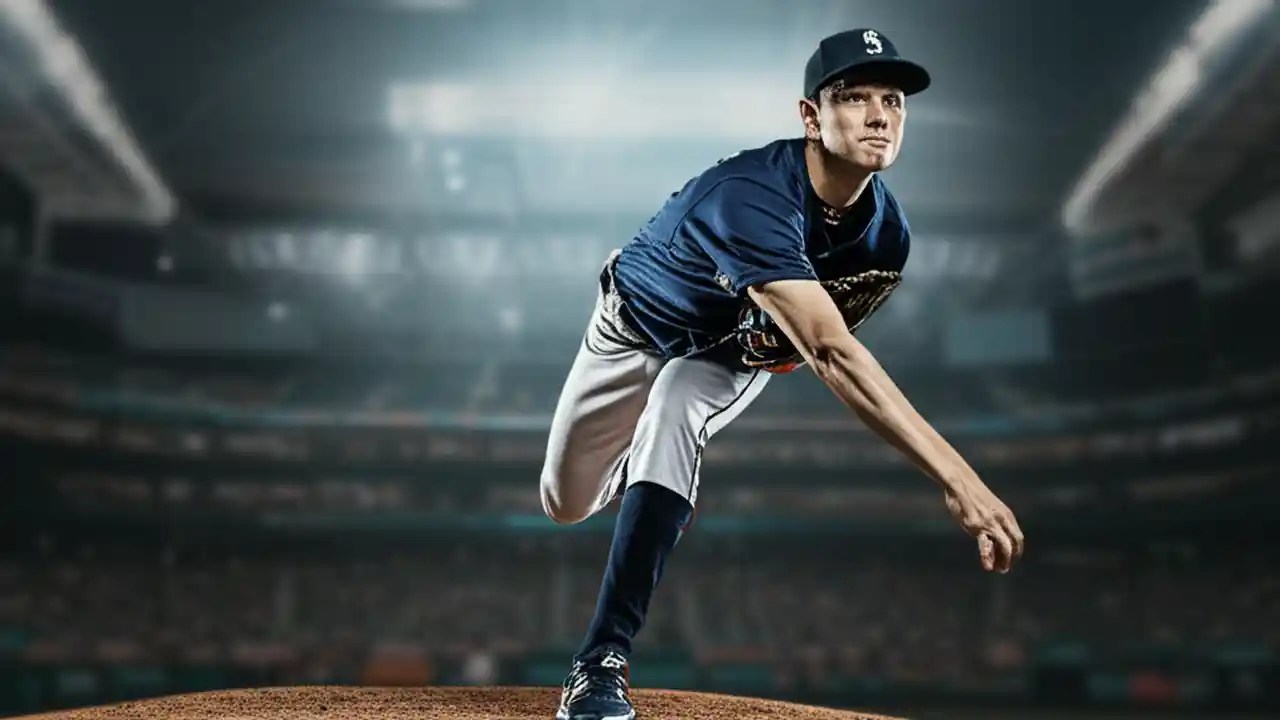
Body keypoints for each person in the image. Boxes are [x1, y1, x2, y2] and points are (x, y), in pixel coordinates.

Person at [540, 28, 1025, 720]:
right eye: (852, 97)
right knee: (565, 502)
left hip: (723, 354)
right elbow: (832, 354)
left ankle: (599, 665)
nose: (879, 115)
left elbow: (807, 348)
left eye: (892, 100)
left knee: (676, 409)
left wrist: (785, 344)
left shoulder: (889, 237)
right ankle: (648, 474)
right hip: (633, 328)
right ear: (810, 116)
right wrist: (961, 478)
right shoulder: (749, 196)